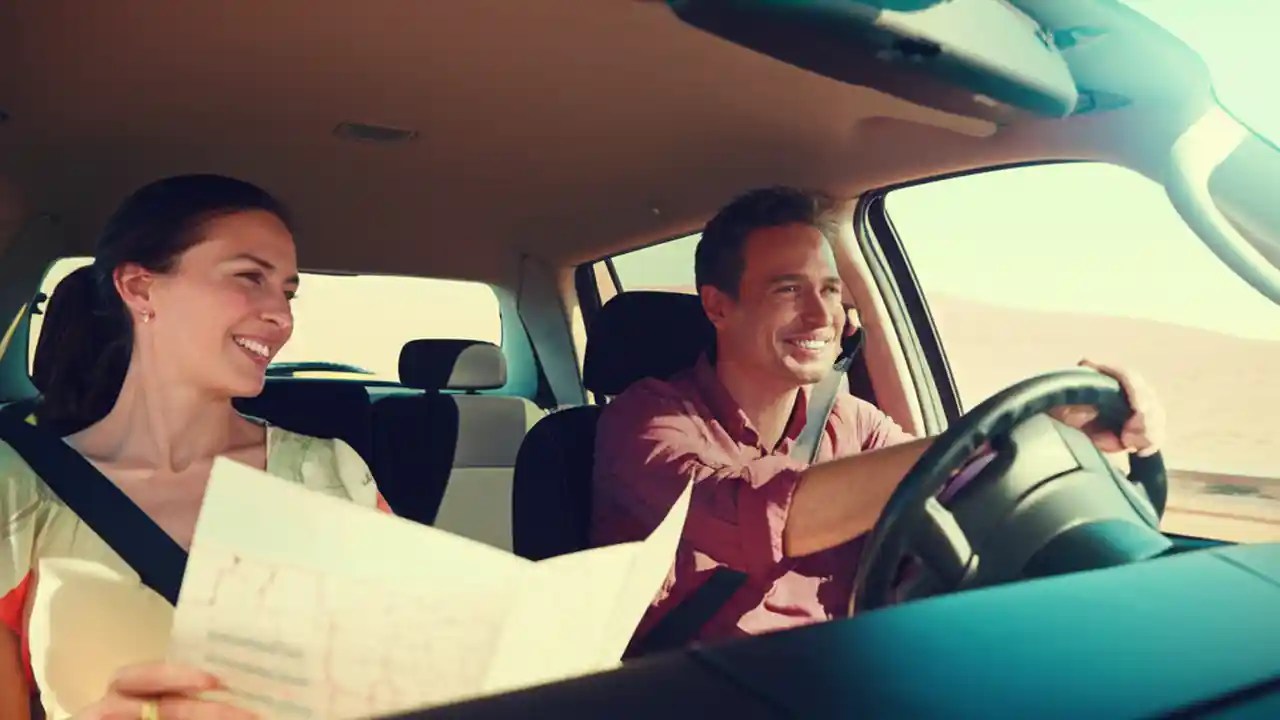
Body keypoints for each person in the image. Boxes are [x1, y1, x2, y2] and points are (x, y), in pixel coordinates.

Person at [590, 186, 1165, 648]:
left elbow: (954, 488)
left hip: (845, 671)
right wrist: (977, 439)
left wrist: (1062, 434)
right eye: (789, 289)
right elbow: (757, 516)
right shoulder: (647, 422)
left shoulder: (854, 424)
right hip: (694, 693)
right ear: (718, 305)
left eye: (832, 290)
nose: (824, 315)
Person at [0, 175, 394, 720]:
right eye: (250, 277)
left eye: (287, 291)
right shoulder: (17, 488)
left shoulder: (332, 473)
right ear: (140, 289)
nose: (282, 316)